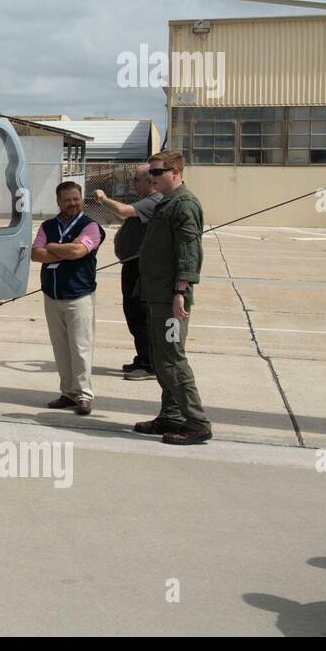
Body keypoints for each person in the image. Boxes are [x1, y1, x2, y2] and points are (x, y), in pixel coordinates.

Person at [132, 151, 211, 445]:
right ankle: (172, 415)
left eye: (156, 172)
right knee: (163, 358)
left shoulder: (184, 205)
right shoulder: (168, 203)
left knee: (172, 361)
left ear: (175, 171)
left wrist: (180, 291)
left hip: (170, 298)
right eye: (150, 173)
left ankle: (197, 422)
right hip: (156, 295)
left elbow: (189, 251)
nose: (151, 177)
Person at [31, 181, 105, 415]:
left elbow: (78, 251)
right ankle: (68, 392)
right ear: (58, 202)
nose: (73, 203)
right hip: (52, 295)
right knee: (61, 347)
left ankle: (84, 394)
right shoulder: (47, 225)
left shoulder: (91, 226)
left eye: (76, 199)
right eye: (67, 200)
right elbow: (35, 254)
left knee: (80, 347)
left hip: (79, 296)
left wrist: (52, 247)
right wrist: (63, 249)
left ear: (81, 199)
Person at [93, 165, 163, 379]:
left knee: (139, 314)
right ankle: (142, 357)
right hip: (132, 265)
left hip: (141, 267)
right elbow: (125, 218)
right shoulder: (144, 203)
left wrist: (103, 198)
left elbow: (123, 211)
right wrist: (107, 207)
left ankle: (149, 363)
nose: (134, 184)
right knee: (132, 312)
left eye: (136, 180)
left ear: (149, 181)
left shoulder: (154, 201)